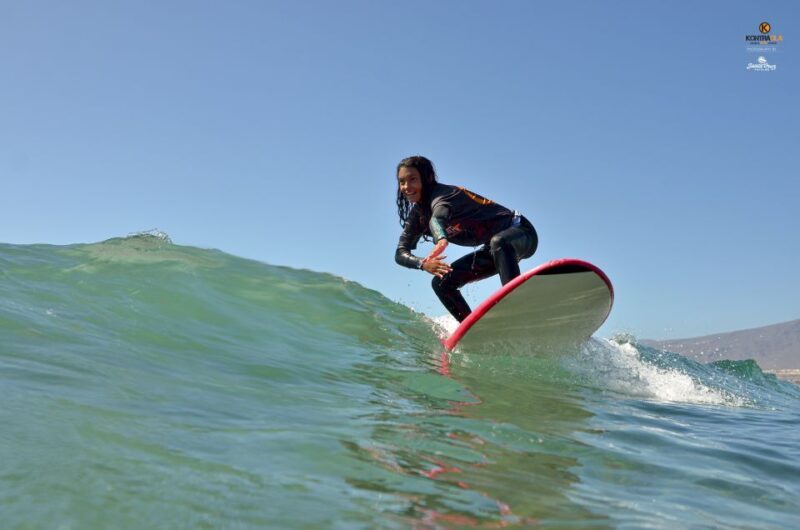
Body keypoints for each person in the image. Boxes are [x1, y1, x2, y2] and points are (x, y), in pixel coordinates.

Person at [394, 155, 538, 322]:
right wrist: (422, 263)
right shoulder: (418, 216)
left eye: (412, 179)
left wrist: (441, 238)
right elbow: (400, 252)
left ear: (428, 178)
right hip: (494, 250)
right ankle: (471, 328)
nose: (406, 186)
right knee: (441, 283)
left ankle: (516, 305)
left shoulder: (446, 195)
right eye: (402, 181)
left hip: (521, 232)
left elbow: (438, 218)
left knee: (499, 241)